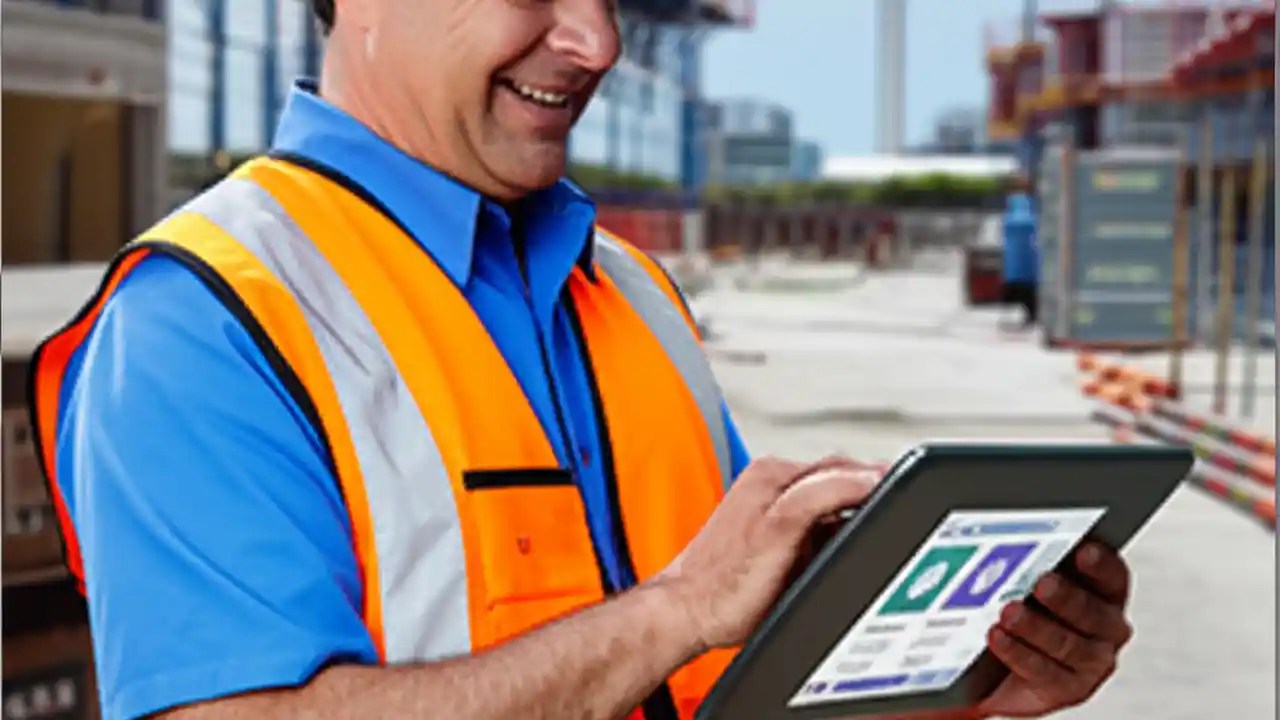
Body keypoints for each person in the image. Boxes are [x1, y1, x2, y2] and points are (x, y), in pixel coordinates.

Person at [29, 2, 1135, 719]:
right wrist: (670, 611)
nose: (596, 43)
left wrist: (971, 686)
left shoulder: (631, 292)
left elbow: (728, 676)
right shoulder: (203, 318)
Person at [1001, 174, 1040, 329]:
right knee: (1027, 285)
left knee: (1024, 285)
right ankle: (1031, 313)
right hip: (1024, 251)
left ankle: (1031, 313)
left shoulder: (1018, 204)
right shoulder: (1025, 204)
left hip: (1022, 251)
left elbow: (1018, 222)